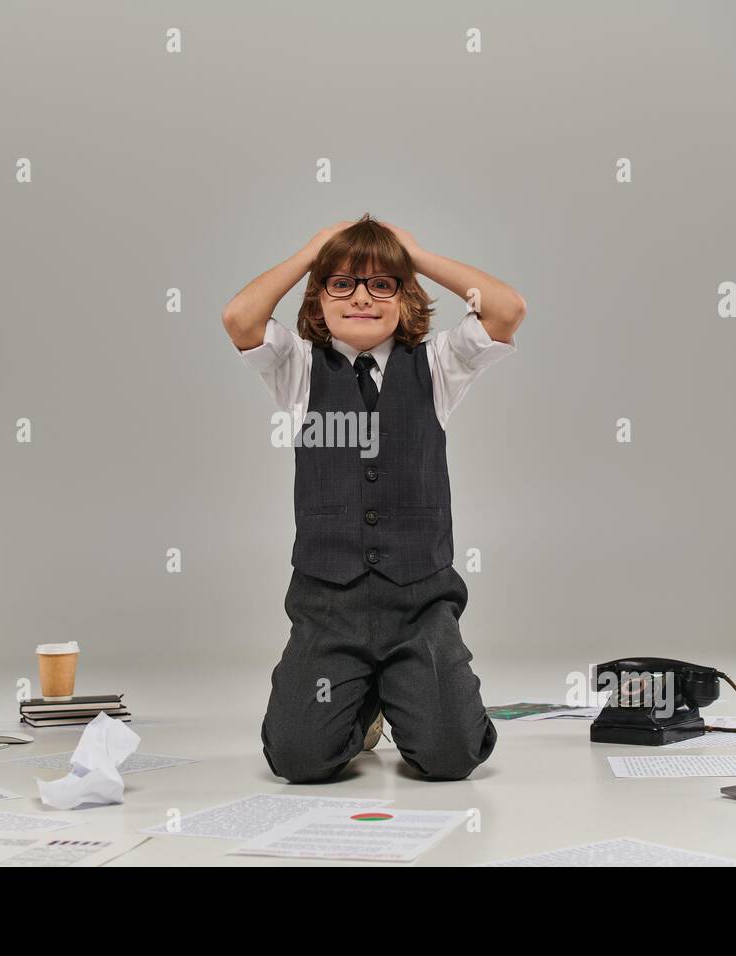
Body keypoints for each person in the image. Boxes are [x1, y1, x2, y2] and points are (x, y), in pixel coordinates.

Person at [222, 213, 526, 782]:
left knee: (450, 756)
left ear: (405, 296)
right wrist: (313, 251)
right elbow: (240, 317)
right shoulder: (298, 367)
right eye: (342, 284)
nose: (361, 297)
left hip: (419, 603)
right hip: (327, 606)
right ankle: (361, 708)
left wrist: (414, 254)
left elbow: (506, 309)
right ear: (318, 298)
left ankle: (407, 689)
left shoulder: (437, 365)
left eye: (381, 284)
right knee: (298, 758)